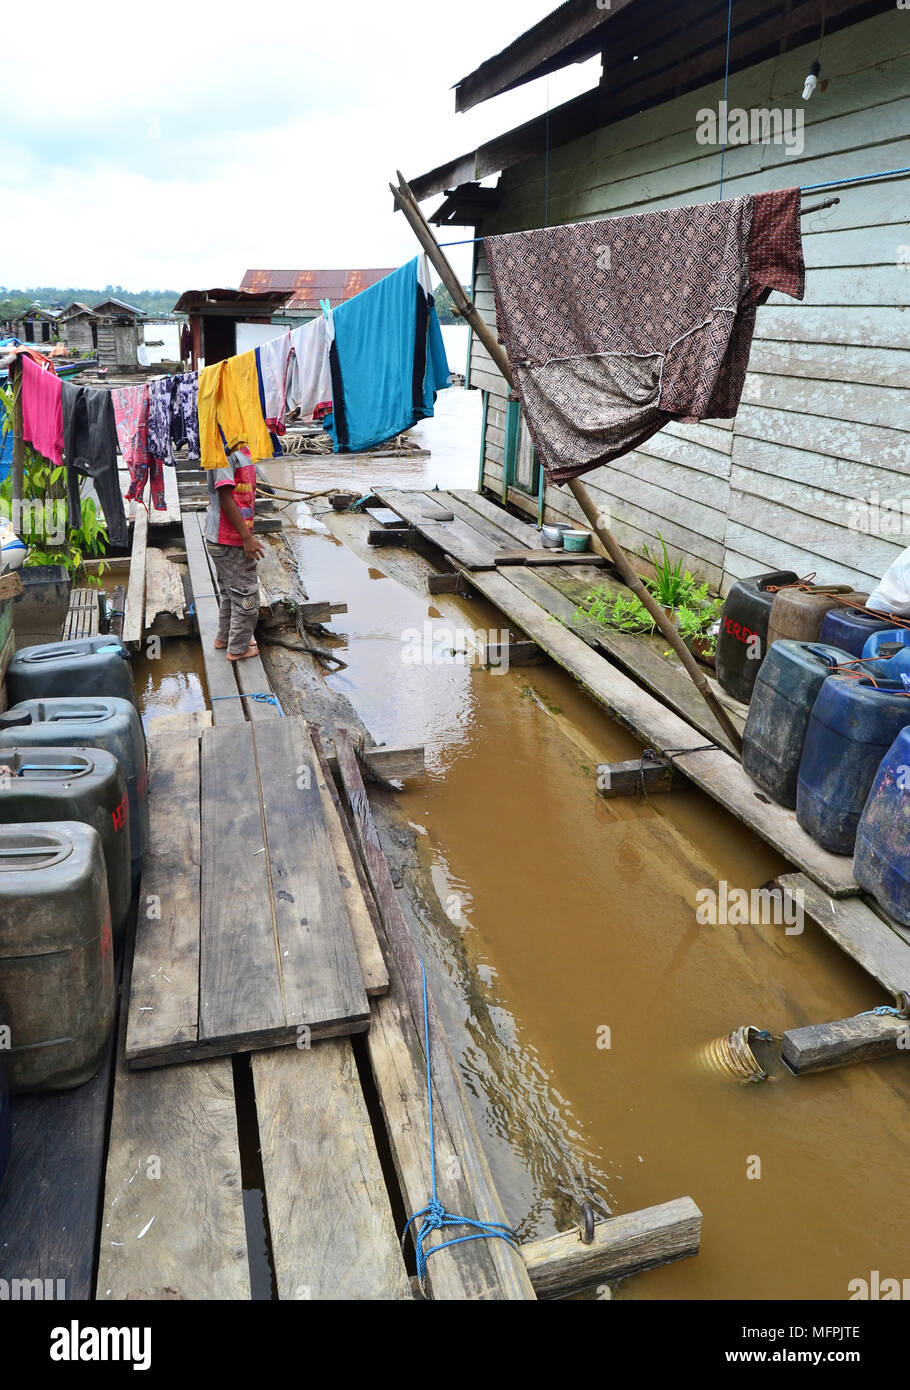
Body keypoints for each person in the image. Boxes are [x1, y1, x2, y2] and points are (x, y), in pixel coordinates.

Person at [203, 444, 265, 661]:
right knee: (247, 596)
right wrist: (246, 537)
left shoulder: (242, 447)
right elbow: (225, 497)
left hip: (228, 538)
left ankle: (225, 638)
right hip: (229, 539)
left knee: (231, 593)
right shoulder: (224, 451)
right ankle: (238, 648)